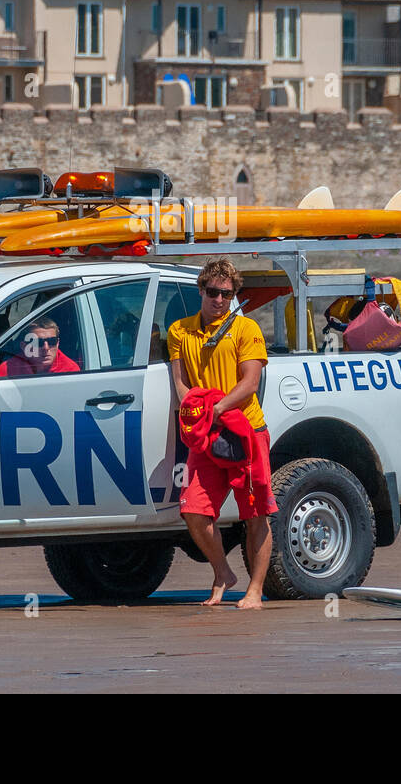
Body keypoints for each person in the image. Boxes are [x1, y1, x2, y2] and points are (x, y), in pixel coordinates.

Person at [168, 258, 276, 610]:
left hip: (245, 433)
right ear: (201, 290)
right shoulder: (179, 331)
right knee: (193, 510)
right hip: (207, 436)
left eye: (226, 294)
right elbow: (180, 384)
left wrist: (217, 408)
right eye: (212, 292)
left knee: (255, 513)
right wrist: (197, 411)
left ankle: (255, 591)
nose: (219, 300)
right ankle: (222, 573)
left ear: (233, 295)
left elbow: (251, 382)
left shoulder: (246, 330)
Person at [0, 317, 80, 377]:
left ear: (58, 343)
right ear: (24, 346)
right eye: (38, 342)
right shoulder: (7, 369)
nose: (46, 348)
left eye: (52, 341)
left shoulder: (70, 371)